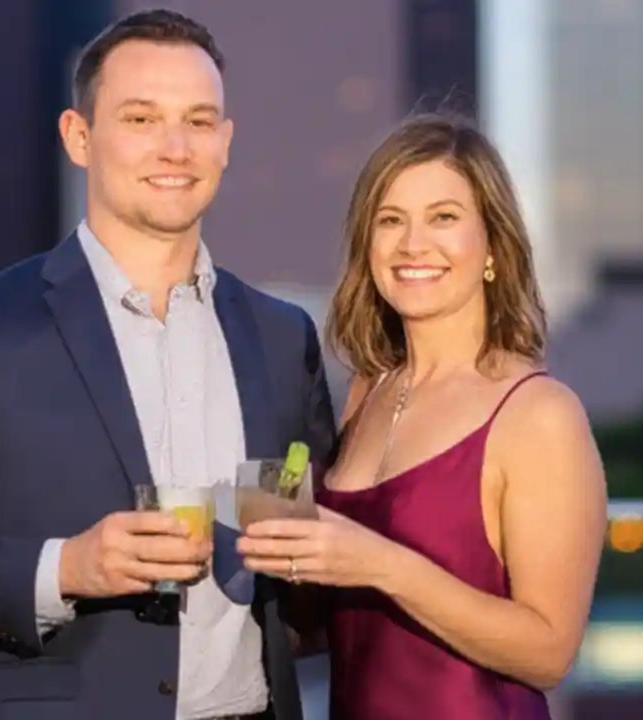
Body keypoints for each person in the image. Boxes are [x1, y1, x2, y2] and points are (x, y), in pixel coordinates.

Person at [0, 9, 335, 720]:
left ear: (225, 143)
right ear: (80, 138)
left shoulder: (281, 335)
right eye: (140, 119)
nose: (175, 147)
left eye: (199, 122)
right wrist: (67, 568)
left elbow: (300, 543)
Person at [237, 115, 607, 719]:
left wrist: (380, 563)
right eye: (391, 220)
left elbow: (549, 652)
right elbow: (332, 626)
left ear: (492, 244)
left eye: (443, 217)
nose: (413, 244)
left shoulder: (540, 414)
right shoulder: (365, 393)